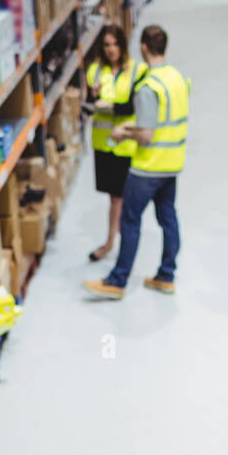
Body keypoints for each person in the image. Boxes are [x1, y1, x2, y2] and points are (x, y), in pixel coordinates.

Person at [83, 25, 190, 300]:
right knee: (168, 219)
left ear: (143, 48)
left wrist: (122, 132)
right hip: (172, 163)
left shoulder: (148, 86)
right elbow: (162, 119)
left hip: (148, 166)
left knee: (130, 221)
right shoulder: (177, 78)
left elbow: (146, 134)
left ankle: (117, 282)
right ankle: (166, 276)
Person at [85, 25, 148, 263]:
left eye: (115, 44)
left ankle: (113, 242)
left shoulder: (137, 70)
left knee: (121, 198)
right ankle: (116, 240)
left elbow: (133, 106)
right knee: (114, 197)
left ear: (123, 45)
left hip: (126, 144)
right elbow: (90, 104)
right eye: (106, 45)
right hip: (103, 144)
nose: (111, 50)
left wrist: (107, 106)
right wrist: (92, 96)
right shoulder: (94, 71)